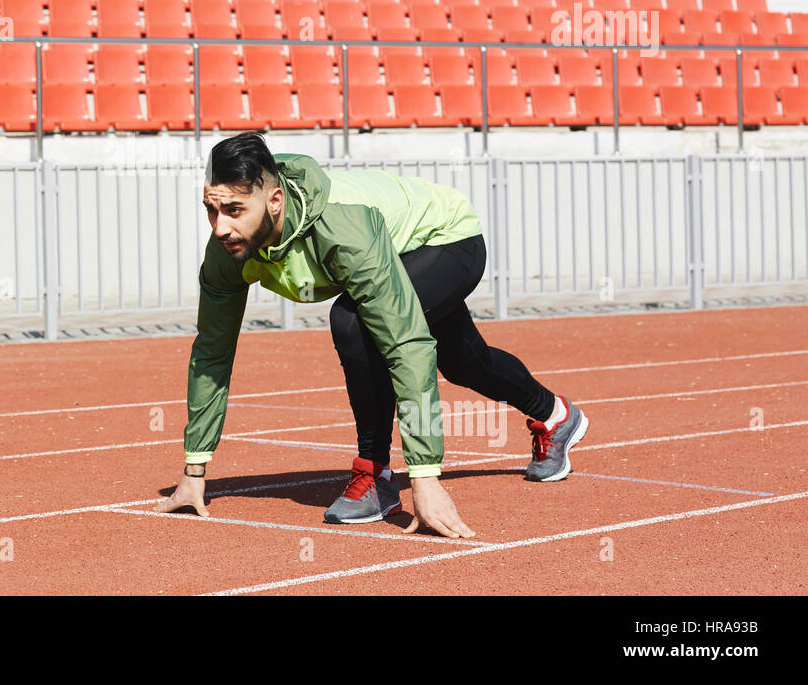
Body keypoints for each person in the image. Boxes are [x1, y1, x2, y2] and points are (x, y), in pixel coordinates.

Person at [153, 132, 589, 538]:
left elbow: (406, 345)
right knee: (463, 361)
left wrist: (425, 477)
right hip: (395, 246)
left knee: (354, 322)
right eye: (211, 209)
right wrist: (195, 470)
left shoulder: (343, 231)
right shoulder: (228, 248)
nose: (219, 227)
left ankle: (375, 473)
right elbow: (211, 353)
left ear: (275, 200)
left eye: (233, 211)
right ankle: (554, 414)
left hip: (442, 237)